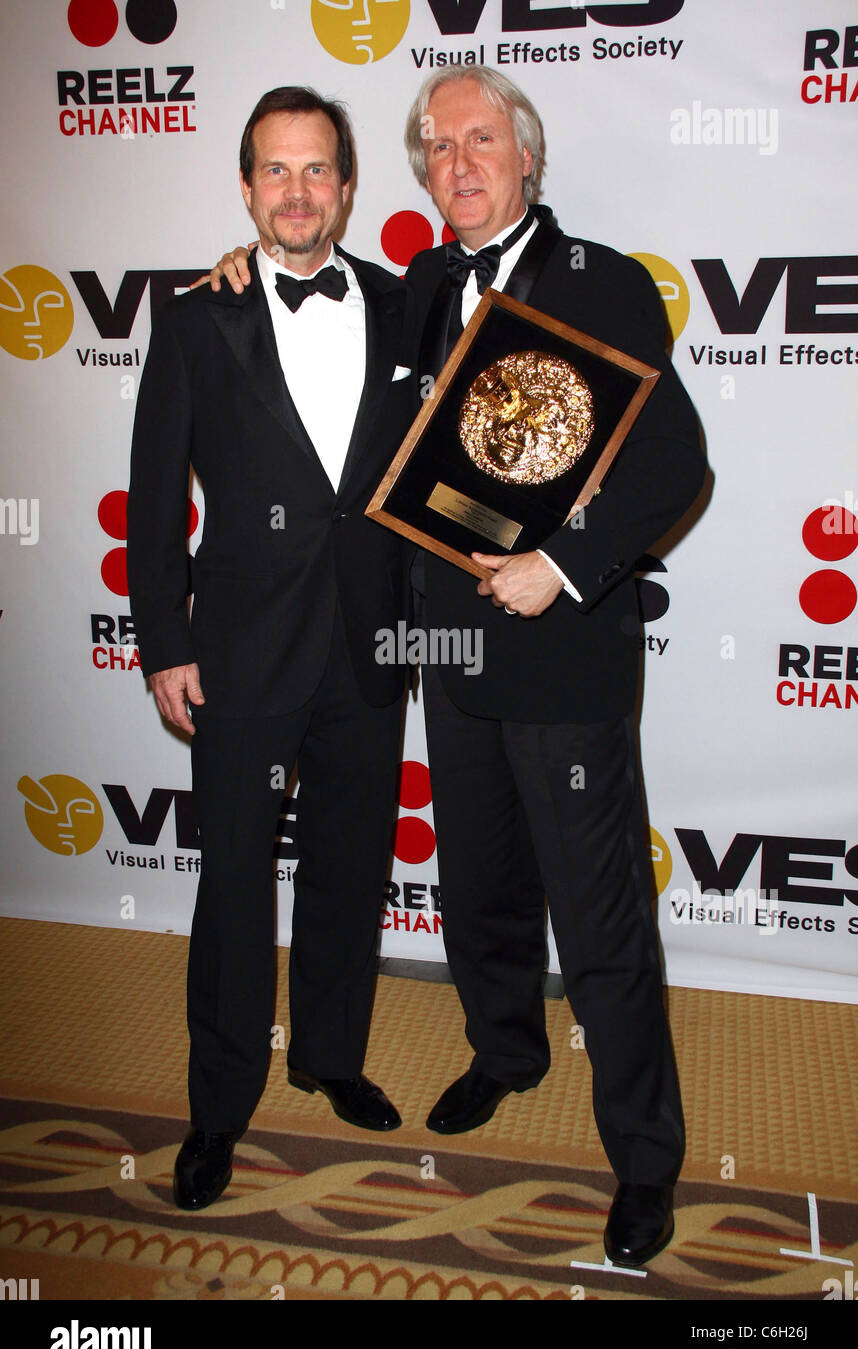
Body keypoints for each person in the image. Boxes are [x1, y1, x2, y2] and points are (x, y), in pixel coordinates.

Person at [209, 66, 707, 1268]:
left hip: (566, 656)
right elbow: (301, 319)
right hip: (448, 653)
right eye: (438, 145)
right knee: (483, 889)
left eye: (483, 138)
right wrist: (235, 271)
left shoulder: (605, 284)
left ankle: (645, 1159)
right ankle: (504, 1051)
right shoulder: (417, 288)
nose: (461, 162)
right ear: (421, 173)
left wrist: (566, 567)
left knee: (599, 926)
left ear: (526, 157)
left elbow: (674, 462)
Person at [127, 86, 415, 1212]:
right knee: (236, 879)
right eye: (276, 171)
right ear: (247, 188)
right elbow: (155, 494)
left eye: (318, 171)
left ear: (347, 186)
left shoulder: (403, 305)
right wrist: (162, 638)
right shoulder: (199, 316)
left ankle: (332, 1056)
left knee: (351, 864)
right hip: (240, 648)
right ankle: (218, 1105)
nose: (298, 192)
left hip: (370, 638)